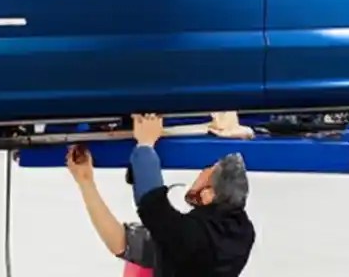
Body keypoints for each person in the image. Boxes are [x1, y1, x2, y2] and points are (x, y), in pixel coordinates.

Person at [66, 114, 255, 277]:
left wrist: (145, 145)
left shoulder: (193, 239)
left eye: (206, 171)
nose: (200, 173)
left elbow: (151, 206)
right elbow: (124, 242)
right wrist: (86, 181)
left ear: (208, 194)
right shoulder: (239, 235)